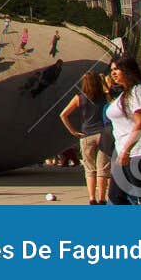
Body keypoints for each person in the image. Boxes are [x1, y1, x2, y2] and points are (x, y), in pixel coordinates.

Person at [106, 56, 141, 205]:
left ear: (128, 70)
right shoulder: (125, 94)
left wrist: (127, 150)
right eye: (111, 70)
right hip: (125, 153)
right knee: (116, 199)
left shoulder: (139, 91)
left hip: (140, 152)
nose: (113, 73)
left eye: (117, 69)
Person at [59, 71, 111, 204]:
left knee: (90, 169)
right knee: (103, 168)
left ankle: (92, 197)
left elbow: (63, 114)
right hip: (104, 134)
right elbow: (109, 92)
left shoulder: (79, 98)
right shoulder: (105, 96)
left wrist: (73, 131)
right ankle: (102, 198)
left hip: (87, 134)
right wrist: (103, 82)